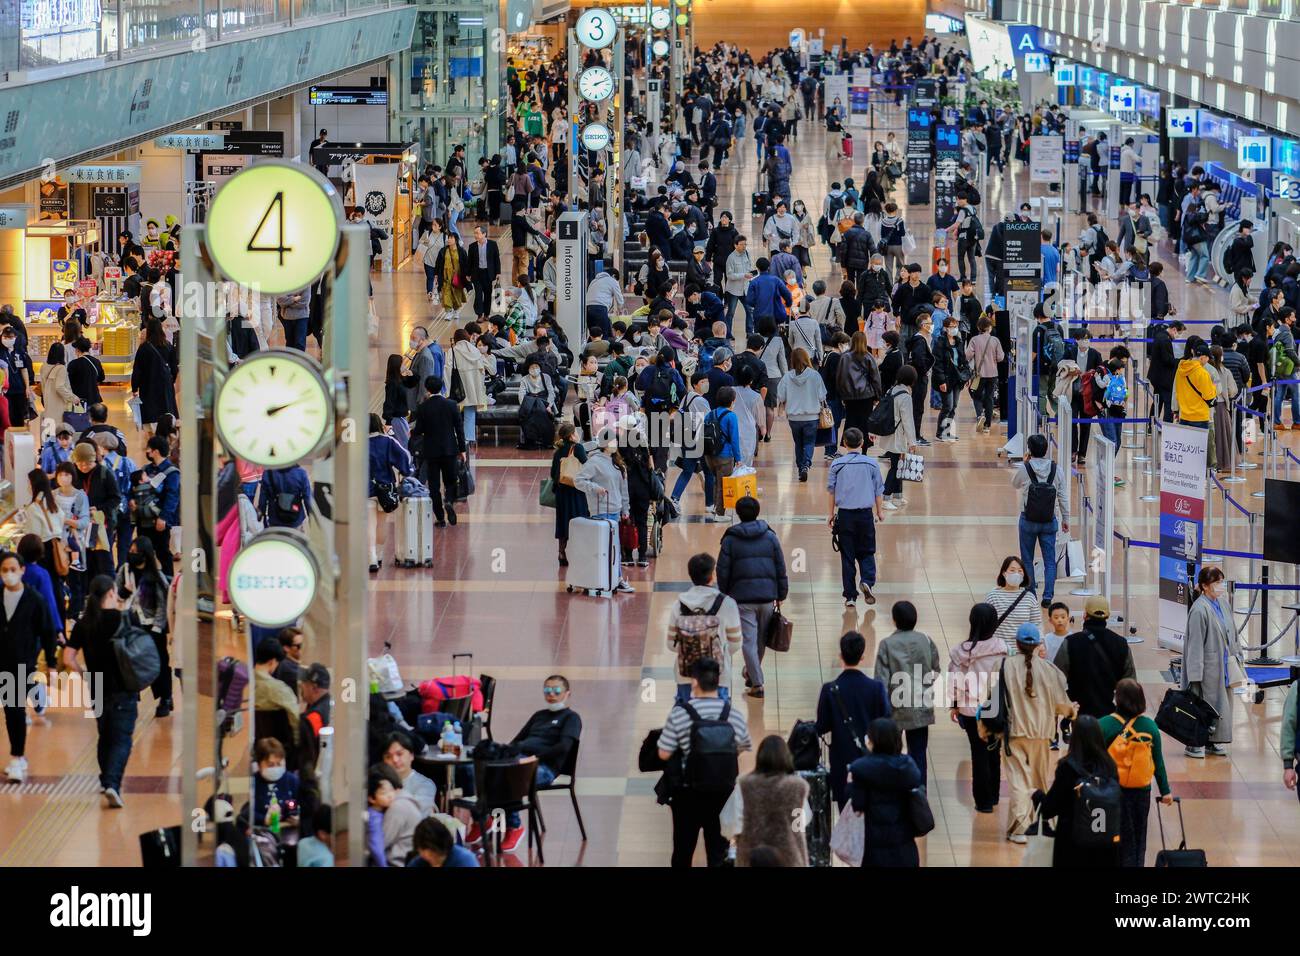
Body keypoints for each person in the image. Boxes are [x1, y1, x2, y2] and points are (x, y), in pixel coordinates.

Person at [656, 657, 752, 868]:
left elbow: (663, 753)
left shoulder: (680, 714)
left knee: (683, 851)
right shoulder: (732, 715)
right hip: (722, 794)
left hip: (687, 794)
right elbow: (744, 745)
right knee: (718, 852)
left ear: (694, 682)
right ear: (718, 682)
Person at [988, 622, 1076, 843]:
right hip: (1043, 734)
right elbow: (1061, 703)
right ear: (1038, 644)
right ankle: (1043, 824)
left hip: (1014, 733)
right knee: (1039, 780)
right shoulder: (1049, 670)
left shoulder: (1003, 665)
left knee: (1018, 781)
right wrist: (1071, 712)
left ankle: (1020, 829)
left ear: (1016, 644)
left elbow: (991, 701)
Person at [62, 575, 130, 804]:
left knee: (105, 734)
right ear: (111, 593)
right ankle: (112, 784)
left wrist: (84, 675)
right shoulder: (121, 620)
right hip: (123, 686)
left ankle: (105, 780)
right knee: (121, 738)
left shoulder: (84, 623)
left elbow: (68, 657)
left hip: (97, 685)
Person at [716, 496, 788, 701]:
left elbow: (722, 570)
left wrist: (725, 593)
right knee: (761, 640)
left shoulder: (730, 539)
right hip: (767, 596)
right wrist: (781, 593)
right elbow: (780, 567)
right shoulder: (770, 536)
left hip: (743, 598)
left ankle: (756, 681)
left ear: (738, 513)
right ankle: (753, 674)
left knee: (749, 640)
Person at [1100, 679, 1173, 867]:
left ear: (1117, 699)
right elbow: (1158, 763)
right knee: (1138, 835)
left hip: (1111, 790)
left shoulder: (1104, 725)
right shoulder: (1149, 727)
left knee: (1111, 833)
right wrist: (1165, 791)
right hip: (1140, 790)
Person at [1032, 715, 1120, 867]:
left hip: (1071, 845)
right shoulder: (1110, 766)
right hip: (1105, 845)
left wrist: (1037, 796)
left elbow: (1049, 809)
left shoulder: (1068, 767)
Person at [948, 602, 1007, 813]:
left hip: (970, 710)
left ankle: (983, 802)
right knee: (995, 750)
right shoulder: (1002, 648)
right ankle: (994, 795)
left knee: (978, 753)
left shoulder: (960, 652)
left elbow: (954, 682)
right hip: (996, 708)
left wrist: (954, 705)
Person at [874, 600, 941, 780]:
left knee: (891, 755)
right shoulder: (926, 640)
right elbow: (936, 670)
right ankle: (918, 795)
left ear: (894, 620)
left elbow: (881, 681)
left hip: (895, 709)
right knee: (918, 755)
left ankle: (895, 793)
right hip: (922, 706)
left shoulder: (887, 644)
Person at [1182, 565, 1241, 758]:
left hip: (1223, 665)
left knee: (1221, 705)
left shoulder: (1223, 604)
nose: (1220, 586)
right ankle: (1194, 743)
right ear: (1205, 586)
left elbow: (1232, 633)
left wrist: (1237, 656)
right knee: (1202, 706)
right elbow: (1195, 645)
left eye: (1221, 582)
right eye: (1216, 582)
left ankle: (1213, 741)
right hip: (1206, 668)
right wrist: (1195, 675)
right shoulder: (1199, 610)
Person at [847, 717, 923, 867]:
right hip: (904, 847)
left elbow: (858, 805)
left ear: (873, 741)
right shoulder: (908, 766)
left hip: (874, 847)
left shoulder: (861, 769)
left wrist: (850, 785)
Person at [667, 553, 742, 701]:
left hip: (686, 675)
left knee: (686, 718)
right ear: (713, 575)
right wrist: (718, 650)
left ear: (690, 575)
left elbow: (671, 644)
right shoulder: (727, 604)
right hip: (718, 675)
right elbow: (736, 643)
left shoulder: (679, 604)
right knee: (718, 718)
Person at [827, 427, 886, 606]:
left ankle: (850, 596)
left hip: (845, 515)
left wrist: (830, 514)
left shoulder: (836, 465)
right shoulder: (871, 464)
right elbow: (878, 490)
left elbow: (831, 491)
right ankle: (867, 580)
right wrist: (880, 511)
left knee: (847, 555)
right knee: (867, 550)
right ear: (862, 443)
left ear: (844, 443)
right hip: (865, 516)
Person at [572, 433, 636, 594]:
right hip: (600, 511)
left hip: (615, 511)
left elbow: (624, 489)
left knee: (614, 547)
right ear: (605, 443)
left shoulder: (617, 463)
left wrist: (625, 509)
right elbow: (579, 480)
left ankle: (616, 578)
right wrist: (595, 488)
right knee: (601, 548)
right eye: (613, 441)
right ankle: (602, 578)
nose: (615, 444)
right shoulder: (594, 462)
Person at [1054, 595, 1136, 719]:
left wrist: (1067, 707)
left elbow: (1055, 679)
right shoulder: (1121, 644)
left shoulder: (1071, 642)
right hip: (1110, 716)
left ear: (1085, 615)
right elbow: (1130, 685)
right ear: (1107, 616)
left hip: (1079, 715)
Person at [117, 537, 173, 716]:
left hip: (152, 628)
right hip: (130, 625)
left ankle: (165, 698)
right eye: (131, 551)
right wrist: (124, 591)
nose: (132, 555)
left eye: (136, 552)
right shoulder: (124, 571)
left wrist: (157, 629)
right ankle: (132, 699)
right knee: (130, 663)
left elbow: (163, 605)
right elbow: (115, 595)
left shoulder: (157, 576)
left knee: (159, 664)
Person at [1011, 433, 1068, 608]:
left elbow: (1015, 484)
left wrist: (1026, 462)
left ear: (1030, 450)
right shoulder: (1056, 469)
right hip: (1049, 520)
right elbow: (1063, 496)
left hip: (1028, 519)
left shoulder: (1025, 468)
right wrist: (1066, 518)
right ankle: (1048, 596)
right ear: (1046, 449)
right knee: (1050, 560)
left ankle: (1030, 593)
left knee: (1027, 558)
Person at [736, 736, 810, 867]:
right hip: (789, 857)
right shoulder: (796, 787)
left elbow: (729, 823)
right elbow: (798, 828)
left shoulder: (744, 785)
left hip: (750, 857)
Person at [410, 375, 467, 529]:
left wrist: (413, 432)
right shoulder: (452, 405)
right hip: (450, 449)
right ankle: (449, 500)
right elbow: (459, 429)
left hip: (431, 451)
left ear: (427, 389)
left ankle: (440, 518)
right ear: (441, 387)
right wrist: (462, 449)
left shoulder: (423, 407)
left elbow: (419, 430)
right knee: (450, 481)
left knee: (434, 486)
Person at [776, 348, 826, 482]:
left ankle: (800, 468)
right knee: (809, 442)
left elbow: (780, 396)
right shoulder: (815, 375)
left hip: (794, 417)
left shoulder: (787, 377)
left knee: (798, 443)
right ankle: (806, 466)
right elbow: (822, 396)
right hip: (812, 416)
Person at [550, 423, 589, 567]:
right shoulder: (577, 448)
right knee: (579, 520)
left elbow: (553, 473)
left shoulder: (558, 451)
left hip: (561, 492)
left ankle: (561, 551)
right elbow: (587, 465)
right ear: (572, 435)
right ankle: (580, 551)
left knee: (563, 521)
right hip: (576, 491)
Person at [130, 320, 178, 434]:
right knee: (165, 408)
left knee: (150, 411)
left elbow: (137, 370)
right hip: (165, 385)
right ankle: (166, 433)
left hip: (148, 385)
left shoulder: (144, 348)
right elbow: (174, 368)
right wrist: (171, 381)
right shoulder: (168, 346)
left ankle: (153, 437)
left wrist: (134, 388)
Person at [253, 637, 299, 747]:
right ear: (272, 661)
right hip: (279, 747)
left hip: (256, 745)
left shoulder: (246, 681)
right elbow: (296, 719)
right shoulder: (278, 688)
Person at [382, 730, 438, 816]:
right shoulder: (380, 783)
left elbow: (415, 815)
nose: (395, 760)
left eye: (399, 754)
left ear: (411, 755)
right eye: (388, 757)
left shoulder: (425, 785)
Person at [965, 317, 1004, 434]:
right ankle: (987, 426)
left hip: (979, 374)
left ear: (978, 327)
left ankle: (979, 416)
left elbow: (967, 356)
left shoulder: (974, 340)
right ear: (990, 327)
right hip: (993, 374)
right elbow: (1001, 357)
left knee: (976, 395)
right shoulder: (995, 340)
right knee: (989, 397)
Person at [409, 816, 479, 867]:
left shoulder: (464, 861)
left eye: (432, 852)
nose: (427, 855)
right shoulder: (419, 862)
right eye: (422, 851)